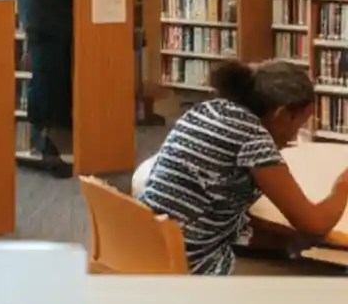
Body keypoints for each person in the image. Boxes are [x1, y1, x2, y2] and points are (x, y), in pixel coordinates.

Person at [139, 60, 348, 275]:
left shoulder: (207, 110)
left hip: (142, 244)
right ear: (282, 114)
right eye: (299, 124)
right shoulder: (252, 140)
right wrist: (343, 185)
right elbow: (313, 224)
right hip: (188, 264)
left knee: (285, 245)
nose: (295, 136)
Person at [18, 0, 86, 174]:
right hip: (45, 25)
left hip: (50, 25)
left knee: (52, 79)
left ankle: (50, 137)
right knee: (45, 81)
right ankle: (41, 141)